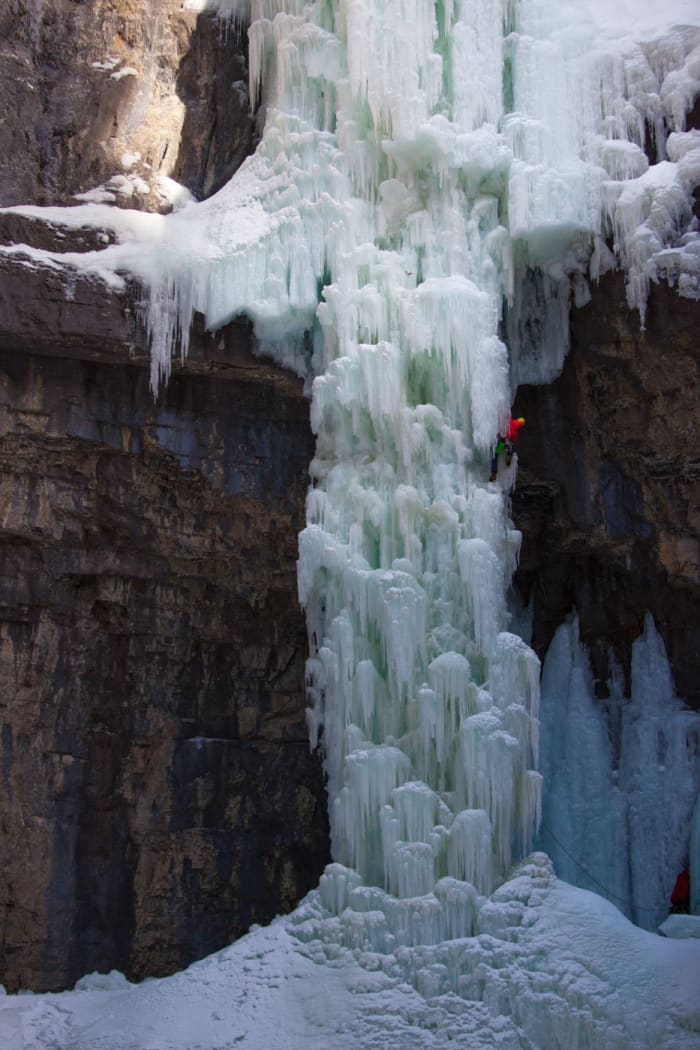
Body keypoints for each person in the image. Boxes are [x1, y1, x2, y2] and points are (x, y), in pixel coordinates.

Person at [490, 417, 525, 481]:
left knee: (495, 454)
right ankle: (508, 455)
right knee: (511, 448)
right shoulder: (516, 428)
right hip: (507, 442)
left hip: (502, 441)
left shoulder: (510, 420)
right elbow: (513, 440)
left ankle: (494, 473)